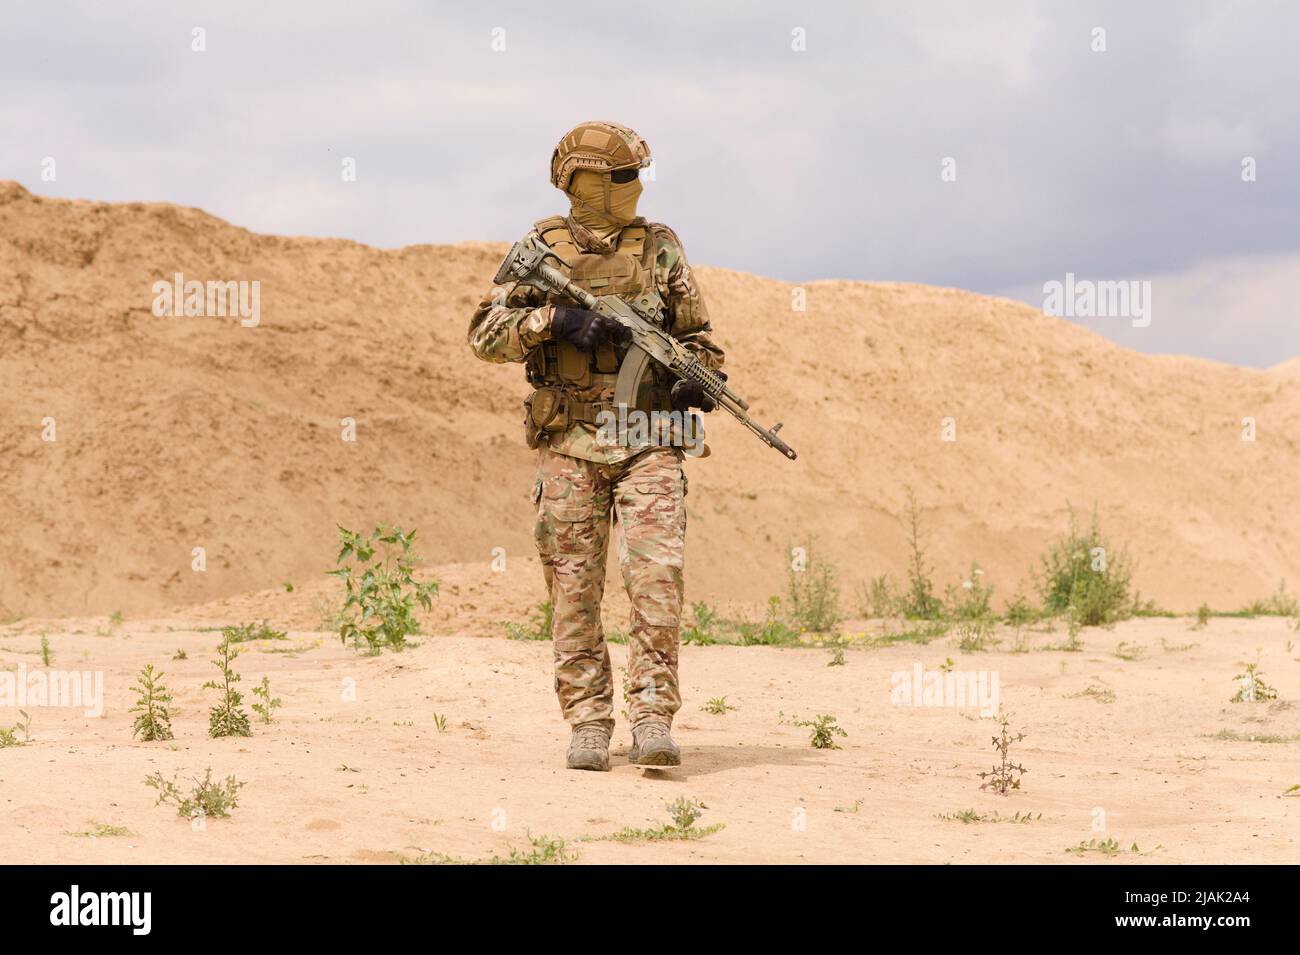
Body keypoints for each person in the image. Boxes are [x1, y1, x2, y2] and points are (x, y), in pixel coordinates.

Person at [467, 121, 724, 770]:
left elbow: (700, 339)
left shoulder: (659, 248)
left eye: (635, 177)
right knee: (575, 591)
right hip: (571, 442)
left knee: (656, 580)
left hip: (649, 439)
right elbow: (484, 333)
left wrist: (701, 378)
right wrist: (553, 320)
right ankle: (587, 721)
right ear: (583, 181)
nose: (631, 189)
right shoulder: (540, 248)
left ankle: (652, 716)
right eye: (619, 178)